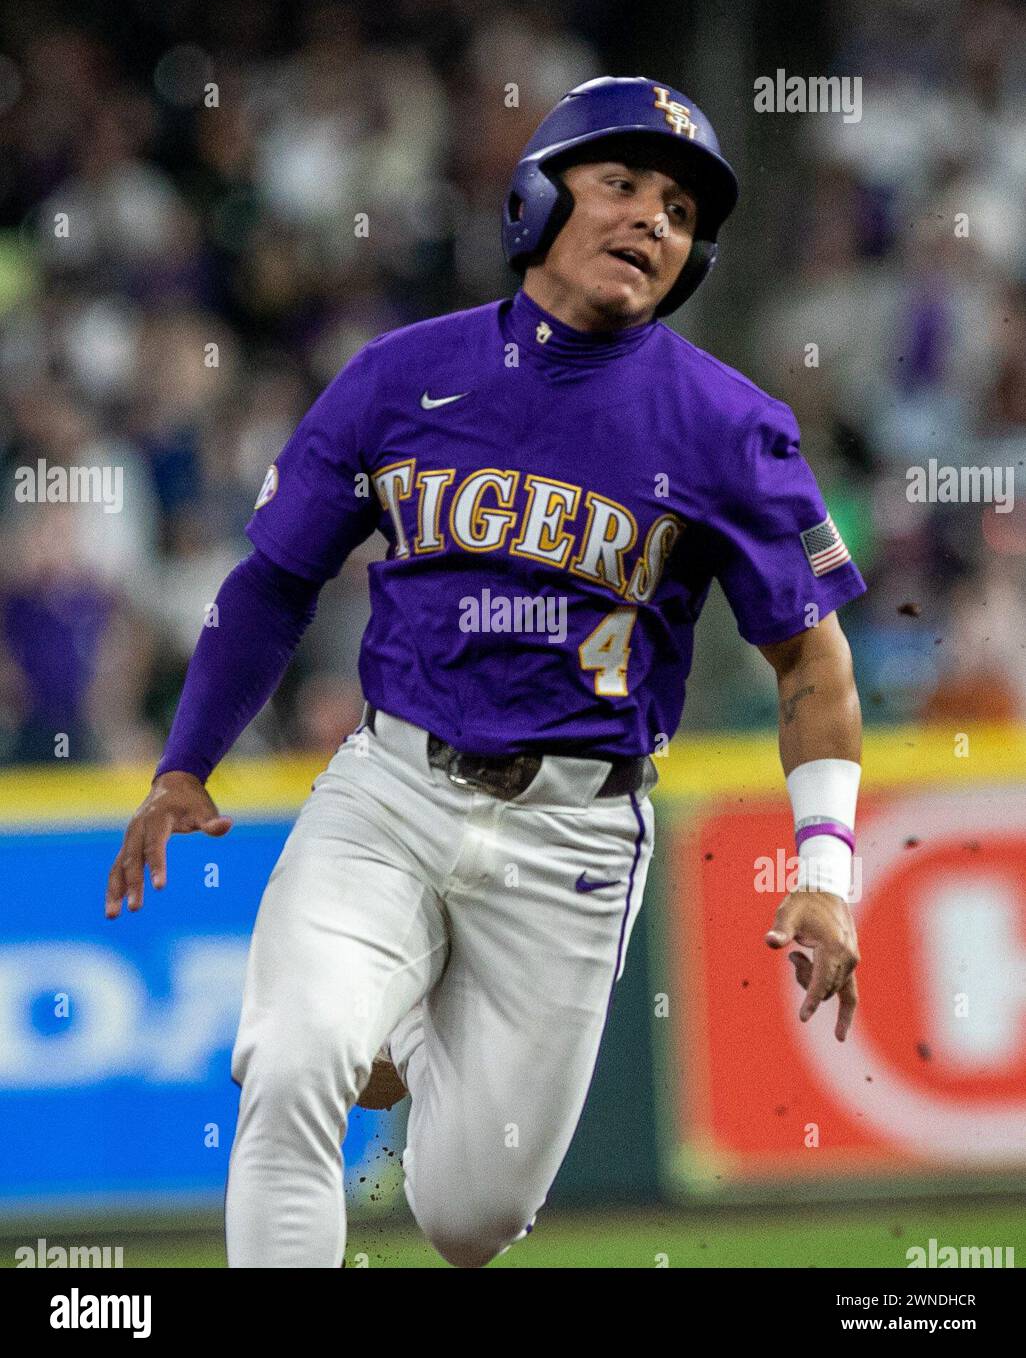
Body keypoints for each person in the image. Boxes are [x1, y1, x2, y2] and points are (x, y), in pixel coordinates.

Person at [105, 76, 865, 1268]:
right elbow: (272, 582)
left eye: (677, 207)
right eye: (619, 183)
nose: (653, 219)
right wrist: (182, 763)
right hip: (391, 790)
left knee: (468, 1217)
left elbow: (810, 660)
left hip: (575, 833)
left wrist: (829, 870)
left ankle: (407, 1021)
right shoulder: (398, 375)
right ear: (532, 200)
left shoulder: (730, 425)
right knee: (294, 1060)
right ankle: (372, 1011)